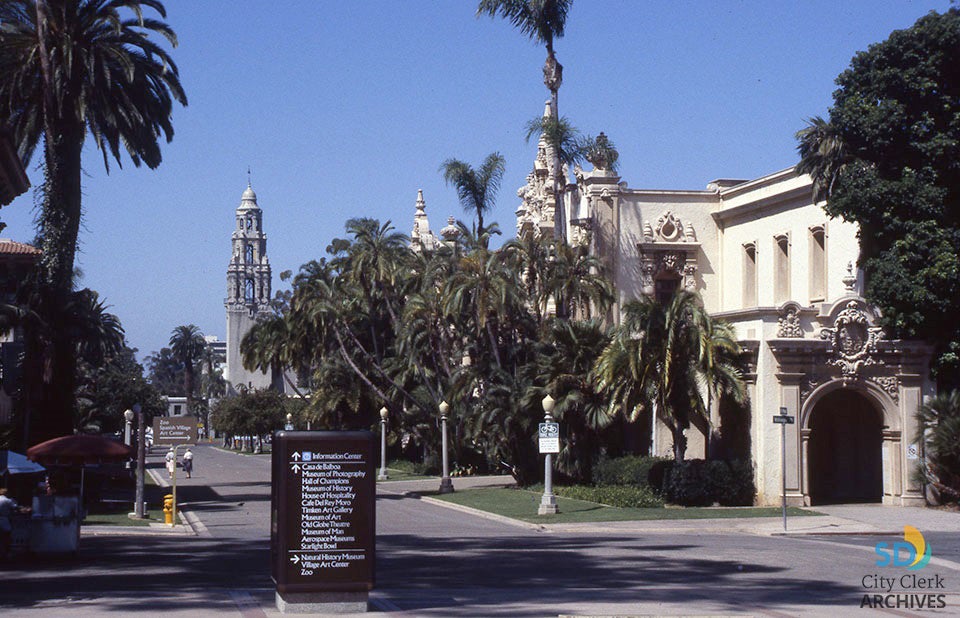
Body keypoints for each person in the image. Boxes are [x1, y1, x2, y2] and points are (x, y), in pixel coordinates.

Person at [0, 488, 19, 559]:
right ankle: (5, 553)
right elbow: (16, 507)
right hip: (3, 519)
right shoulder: (7, 500)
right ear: (6, 493)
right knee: (6, 536)